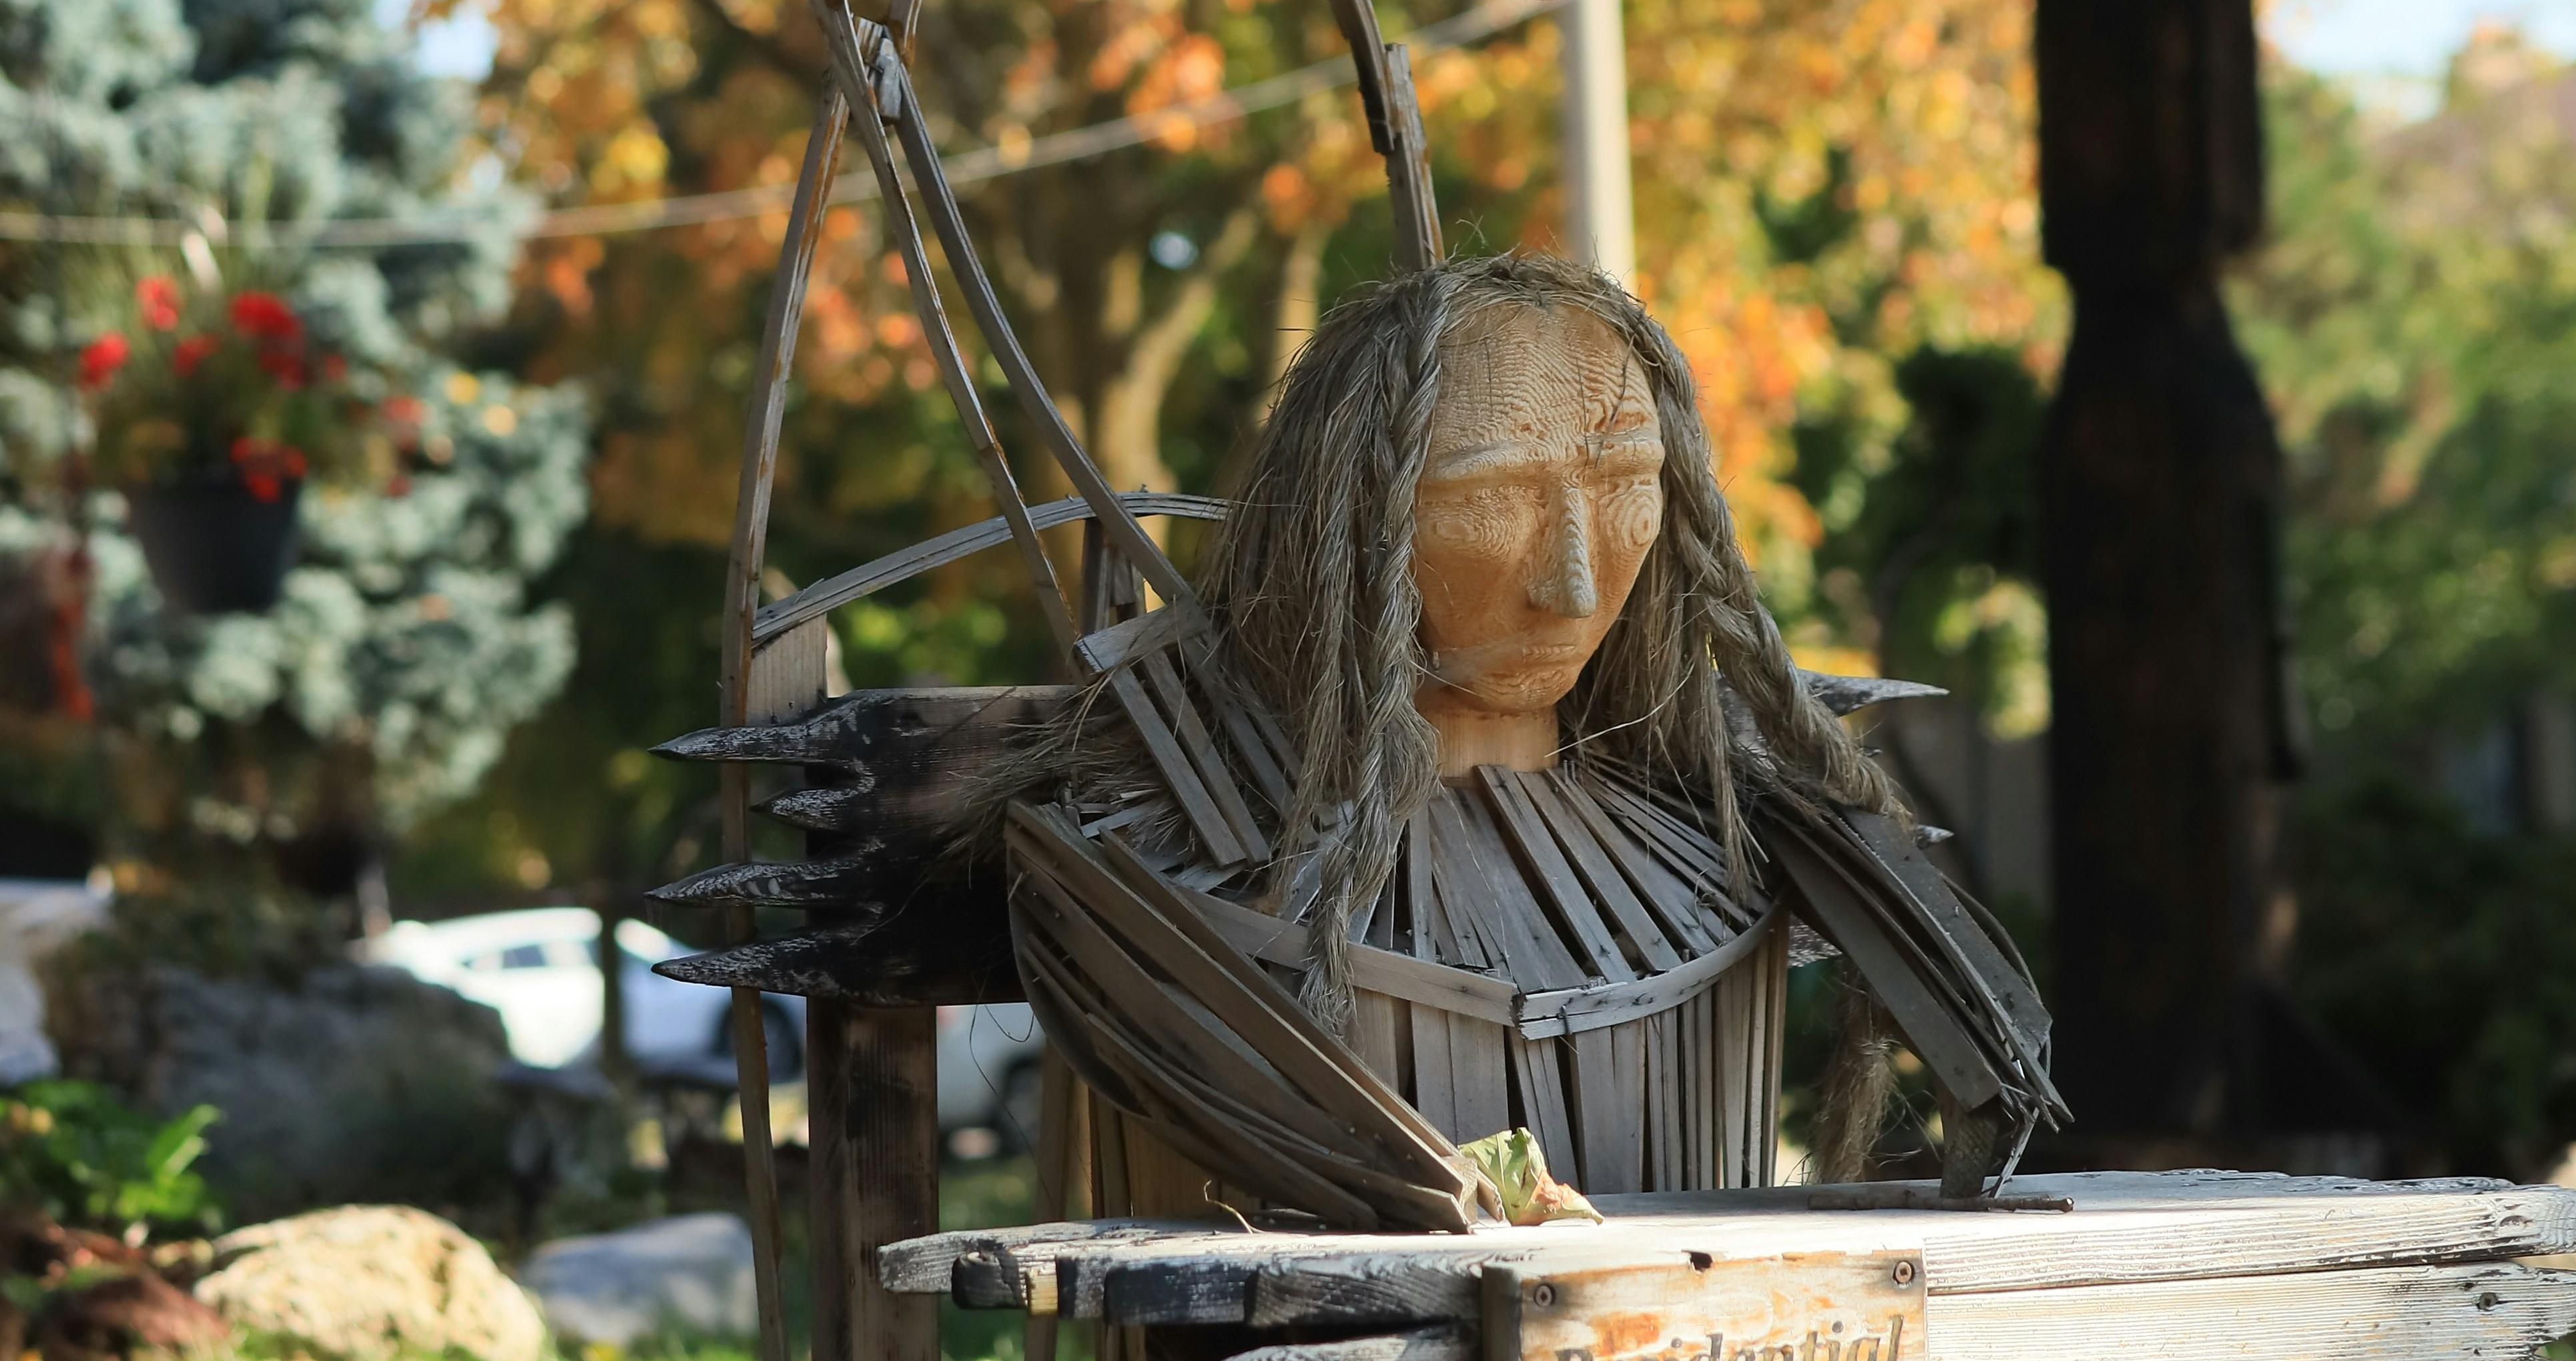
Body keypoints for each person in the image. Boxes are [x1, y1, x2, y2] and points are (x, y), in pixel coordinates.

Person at [714, 250, 2060, 1222]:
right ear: (1344, 521)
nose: (1577, 584)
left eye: (1622, 489)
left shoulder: (1723, 835)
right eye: (1498, 497)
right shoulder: (1141, 871)